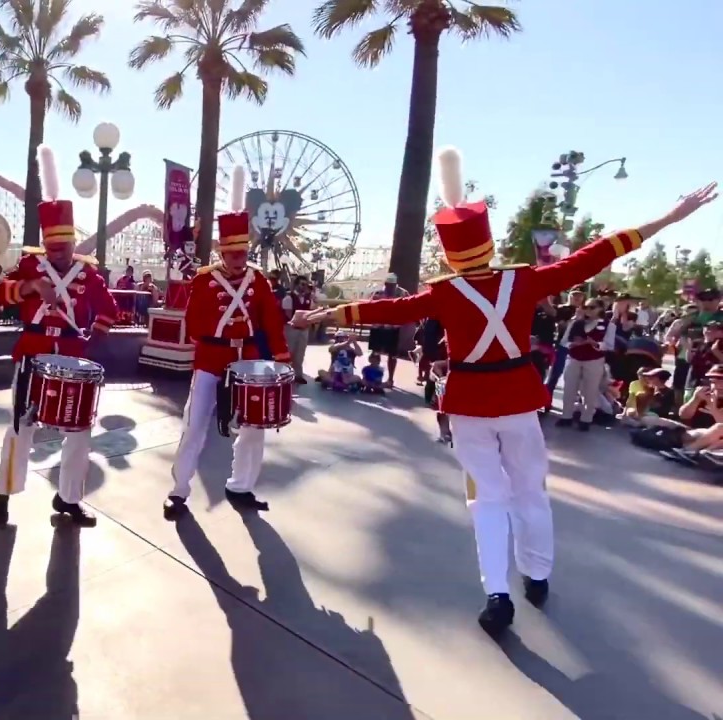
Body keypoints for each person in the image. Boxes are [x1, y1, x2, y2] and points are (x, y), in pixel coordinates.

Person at [306, 145, 716, 636]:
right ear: (489, 242)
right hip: (519, 403)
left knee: (486, 499)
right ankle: (537, 575)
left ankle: (497, 592)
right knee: (530, 493)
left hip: (469, 407)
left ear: (451, 252)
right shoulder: (523, 282)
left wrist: (329, 313)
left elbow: (391, 311)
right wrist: (670, 218)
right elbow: (596, 254)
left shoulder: (443, 293)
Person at [0, 145, 119, 528]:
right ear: (46, 242)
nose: (60, 252)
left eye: (65, 247)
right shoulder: (29, 265)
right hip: (32, 352)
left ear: (73, 243)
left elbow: (110, 308)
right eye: (54, 246)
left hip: (73, 356)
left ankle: (69, 499)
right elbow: (0, 294)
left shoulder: (88, 273)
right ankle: (3, 495)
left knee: (79, 431)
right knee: (20, 428)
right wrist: (31, 287)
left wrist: (92, 339)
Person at [163, 205, 290, 520]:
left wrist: (282, 359)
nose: (238, 258)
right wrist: (217, 334)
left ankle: (241, 486)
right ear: (221, 251)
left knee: (254, 427)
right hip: (211, 359)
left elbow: (272, 321)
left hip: (247, 360)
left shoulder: (258, 280)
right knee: (194, 426)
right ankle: (178, 492)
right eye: (232, 253)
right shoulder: (204, 280)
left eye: (243, 252)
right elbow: (192, 325)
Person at [558, 298, 611, 431]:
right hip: (574, 358)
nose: (588, 310)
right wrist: (574, 344)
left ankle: (586, 419)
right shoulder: (576, 323)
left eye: (592, 307)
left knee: (590, 391)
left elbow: (609, 345)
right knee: (569, 388)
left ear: (600, 309)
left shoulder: (608, 325)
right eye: (586, 307)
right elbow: (564, 341)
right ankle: (566, 416)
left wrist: (595, 344)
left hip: (594, 360)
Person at [366, 272, 409, 386]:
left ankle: (390, 379)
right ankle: (375, 376)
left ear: (396, 284)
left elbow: (409, 308)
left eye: (392, 285)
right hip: (378, 327)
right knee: (375, 352)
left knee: (392, 354)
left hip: (393, 329)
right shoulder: (378, 293)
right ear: (385, 283)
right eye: (389, 285)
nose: (390, 287)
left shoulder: (402, 293)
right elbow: (370, 307)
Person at [281, 274, 315, 384]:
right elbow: (288, 315)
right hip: (291, 329)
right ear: (296, 285)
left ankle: (298, 375)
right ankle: (285, 374)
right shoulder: (289, 297)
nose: (304, 287)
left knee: (301, 352)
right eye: (302, 284)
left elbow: (311, 312)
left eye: (305, 285)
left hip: (303, 329)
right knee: (289, 352)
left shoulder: (308, 299)